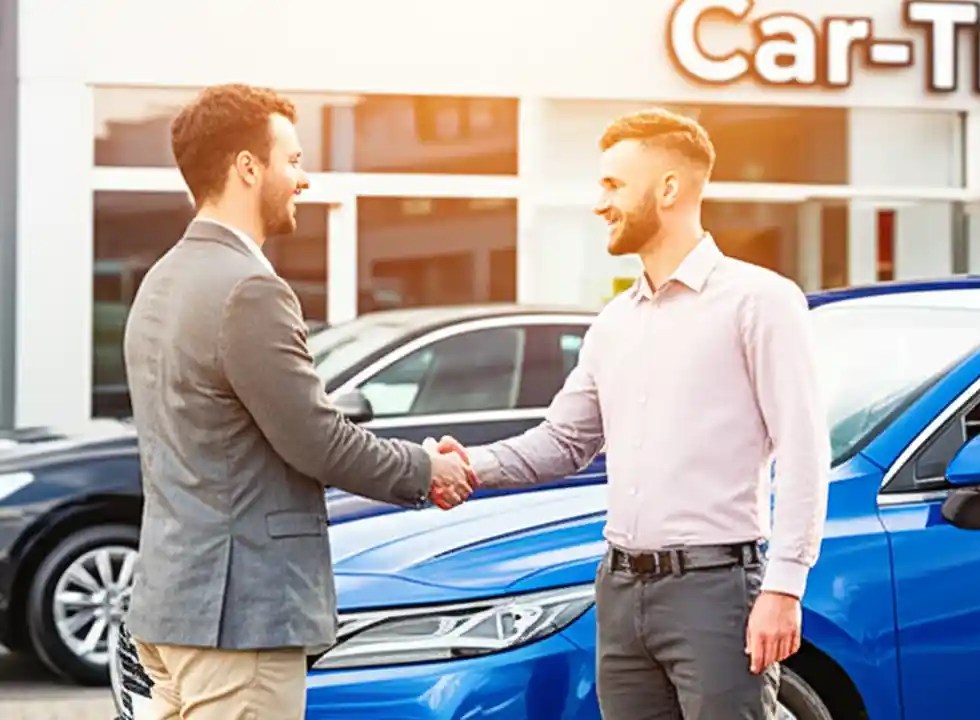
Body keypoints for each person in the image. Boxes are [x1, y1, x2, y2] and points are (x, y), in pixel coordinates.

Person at [438, 108, 830, 718]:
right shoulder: (615, 322)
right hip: (619, 591)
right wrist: (470, 465)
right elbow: (564, 442)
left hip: (716, 591)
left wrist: (784, 587)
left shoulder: (761, 302)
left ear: (669, 188)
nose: (600, 204)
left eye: (613, 185)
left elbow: (806, 450)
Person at [121, 83, 476, 719]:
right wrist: (429, 471)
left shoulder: (162, 279)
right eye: (293, 161)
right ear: (247, 168)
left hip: (175, 605)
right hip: (239, 620)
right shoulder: (249, 289)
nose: (304, 180)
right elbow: (317, 439)